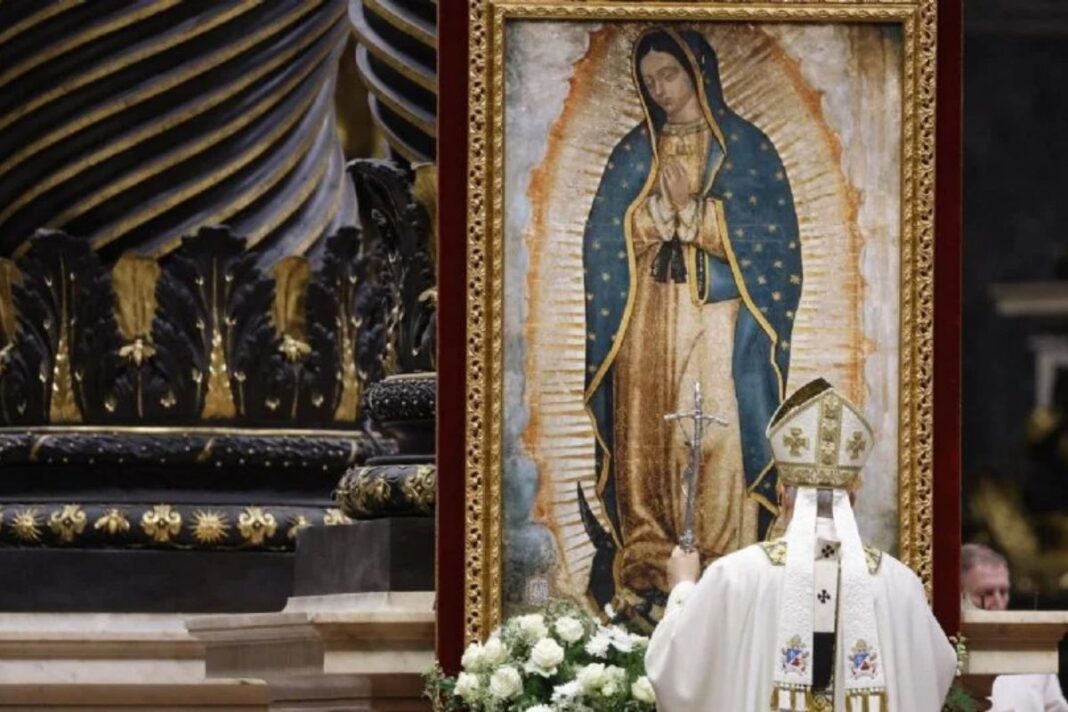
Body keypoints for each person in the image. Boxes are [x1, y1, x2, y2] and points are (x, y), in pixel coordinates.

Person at [581, 26, 803, 619]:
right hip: (649, 318)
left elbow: (775, 250)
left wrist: (698, 215)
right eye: (649, 81)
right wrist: (654, 217)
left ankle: (727, 558)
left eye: (669, 76)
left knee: (717, 432)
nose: (660, 91)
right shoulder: (637, 150)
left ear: (697, 72)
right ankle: (652, 556)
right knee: (647, 435)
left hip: (717, 317)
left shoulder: (745, 149)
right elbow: (604, 238)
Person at [646, 378, 957, 711]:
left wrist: (682, 587)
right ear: (852, 499)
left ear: (783, 498)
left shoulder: (735, 577)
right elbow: (936, 670)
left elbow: (676, 669)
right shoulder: (900, 584)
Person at [961, 543, 1068, 712]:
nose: (998, 602)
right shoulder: (950, 655)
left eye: (1003, 592)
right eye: (986, 594)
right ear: (961, 595)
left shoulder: (1034, 651)